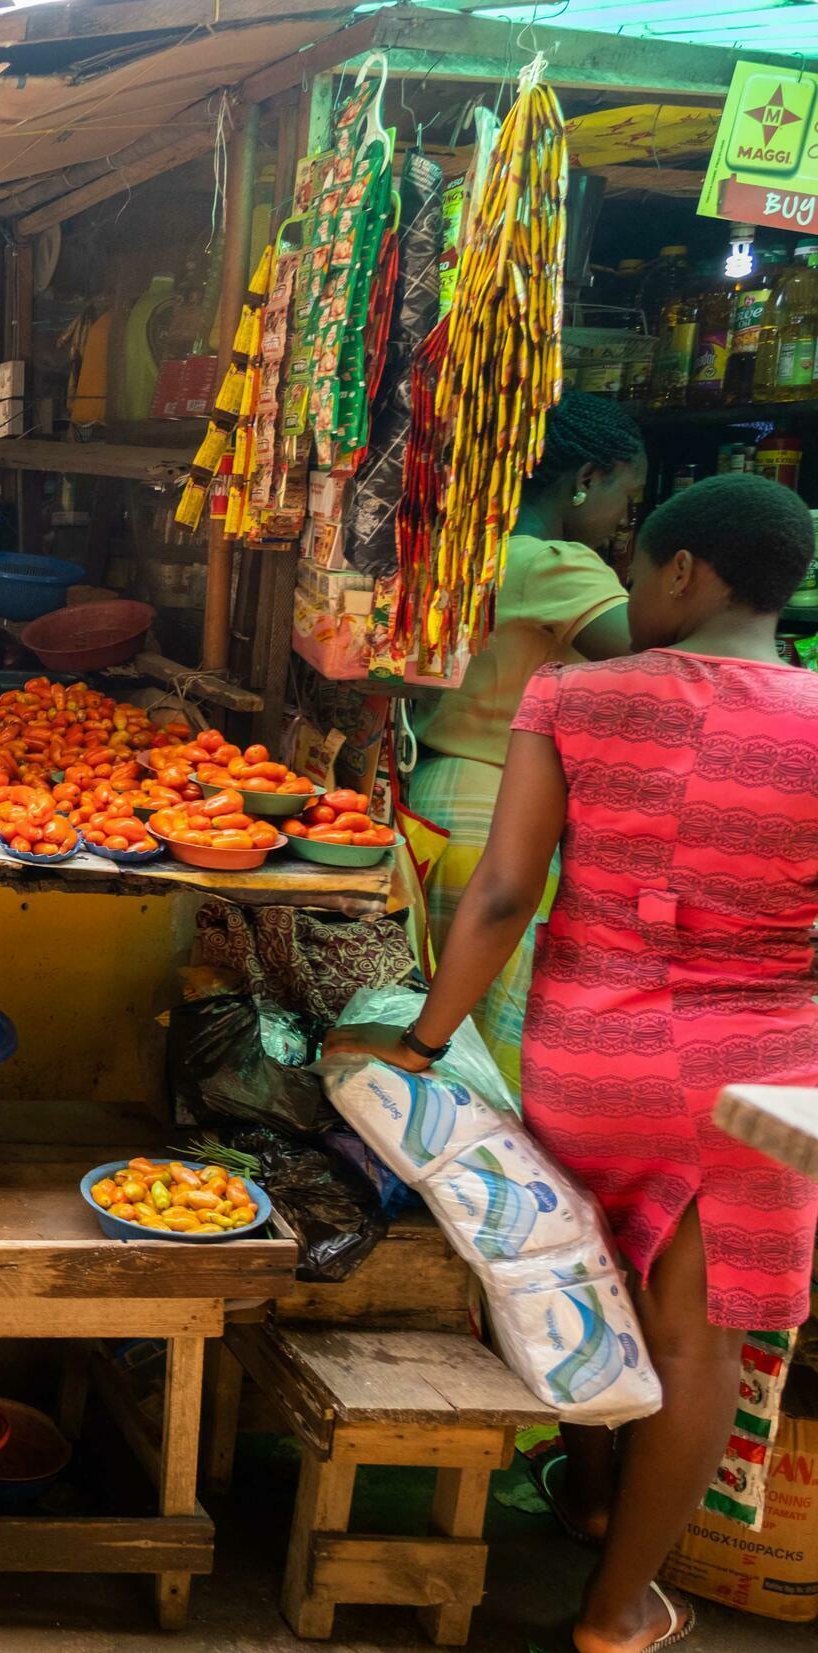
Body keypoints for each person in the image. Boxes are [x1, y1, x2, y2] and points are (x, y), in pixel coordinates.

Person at [327, 473, 818, 1653]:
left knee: (581, 1269)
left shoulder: (575, 695)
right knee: (698, 1336)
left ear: (682, 572)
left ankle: (590, 1492)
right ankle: (615, 1607)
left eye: (639, 571)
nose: (634, 591)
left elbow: (502, 895)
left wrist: (422, 1044)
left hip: (590, 1046)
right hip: (761, 1075)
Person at [407, 392, 647, 1087]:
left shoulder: (478, 551)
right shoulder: (555, 562)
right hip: (496, 812)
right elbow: (654, 663)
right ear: (587, 478)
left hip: (439, 796)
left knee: (442, 1014)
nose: (624, 520)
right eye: (626, 497)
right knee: (477, 1052)